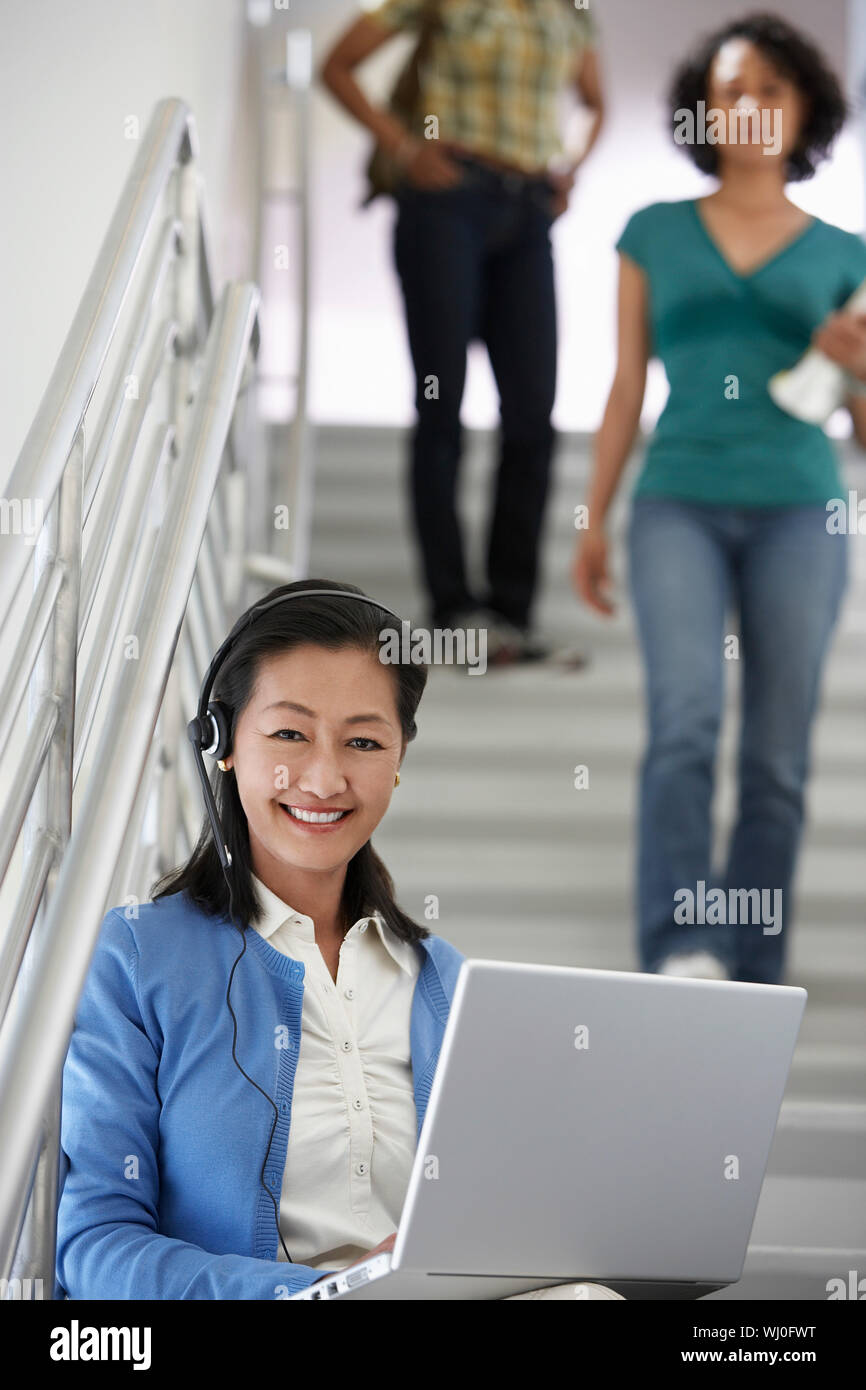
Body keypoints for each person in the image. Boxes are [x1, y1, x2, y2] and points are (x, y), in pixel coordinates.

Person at [55, 579, 619, 1299]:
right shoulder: (140, 957)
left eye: (362, 741)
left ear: (398, 759)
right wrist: (316, 1292)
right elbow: (93, 1246)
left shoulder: (443, 979)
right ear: (221, 744)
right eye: (290, 734)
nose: (323, 778)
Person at [572, 14, 866, 986]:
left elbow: (860, 434)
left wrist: (858, 375)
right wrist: (591, 519)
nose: (748, 108)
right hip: (677, 503)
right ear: (704, 111)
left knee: (777, 757)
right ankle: (677, 944)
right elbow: (623, 390)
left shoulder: (845, 253)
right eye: (730, 91)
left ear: (804, 111)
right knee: (685, 721)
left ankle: (750, 964)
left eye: (770, 90)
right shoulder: (651, 231)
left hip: (799, 509)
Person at [321, 1, 604, 662]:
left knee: (533, 416)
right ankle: (452, 611)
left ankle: (511, 615)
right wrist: (402, 148)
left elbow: (593, 99)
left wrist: (572, 166)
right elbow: (337, 66)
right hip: (447, 203)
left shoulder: (570, 9)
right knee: (440, 404)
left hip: (529, 210)